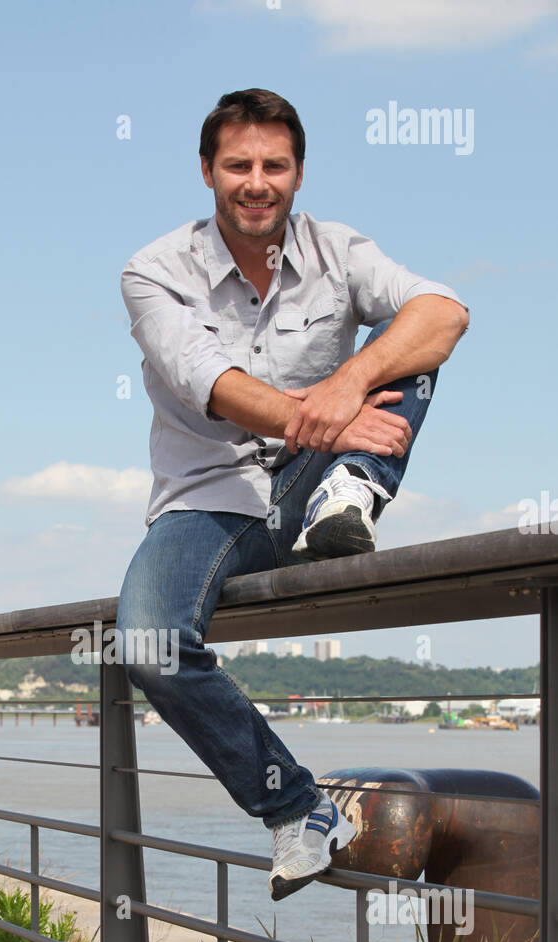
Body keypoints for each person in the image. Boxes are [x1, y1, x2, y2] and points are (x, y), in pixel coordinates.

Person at [116, 88, 469, 901]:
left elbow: (447, 312)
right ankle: (299, 808)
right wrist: (331, 419)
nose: (256, 181)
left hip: (315, 479)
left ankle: (350, 495)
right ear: (207, 172)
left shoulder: (339, 249)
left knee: (410, 339)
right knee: (148, 645)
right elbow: (212, 384)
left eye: (274, 165)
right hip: (207, 497)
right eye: (238, 164)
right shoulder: (154, 271)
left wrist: (351, 380)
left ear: (299, 174)